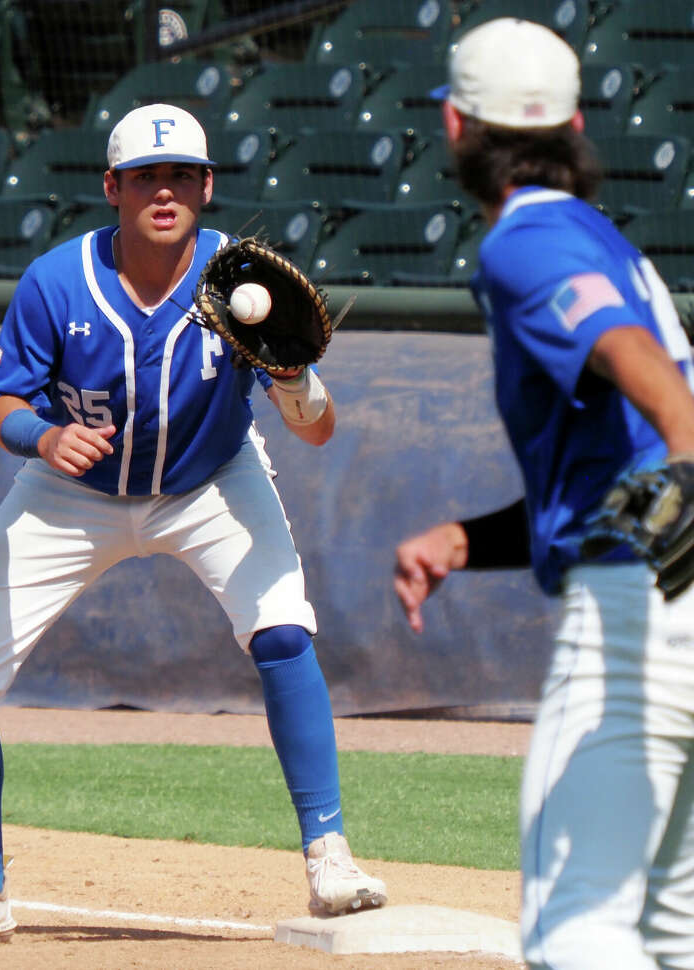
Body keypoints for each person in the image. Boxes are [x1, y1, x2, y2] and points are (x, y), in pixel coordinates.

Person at [0, 103, 387, 949]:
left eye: (184, 176)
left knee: (282, 631)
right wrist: (44, 435)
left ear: (207, 187)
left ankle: (329, 856)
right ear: (112, 188)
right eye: (148, 177)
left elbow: (315, 429)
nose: (167, 190)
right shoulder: (56, 280)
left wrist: (297, 378)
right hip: (71, 491)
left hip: (212, 481)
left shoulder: (236, 281)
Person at [392, 18, 694, 970]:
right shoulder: (599, 235)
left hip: (642, 604)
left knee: (578, 932)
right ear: (571, 122)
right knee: (671, 927)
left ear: (453, 126)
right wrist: (470, 540)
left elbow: (643, 376)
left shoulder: (525, 242)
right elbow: (617, 460)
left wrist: (689, 457)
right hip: (671, 581)